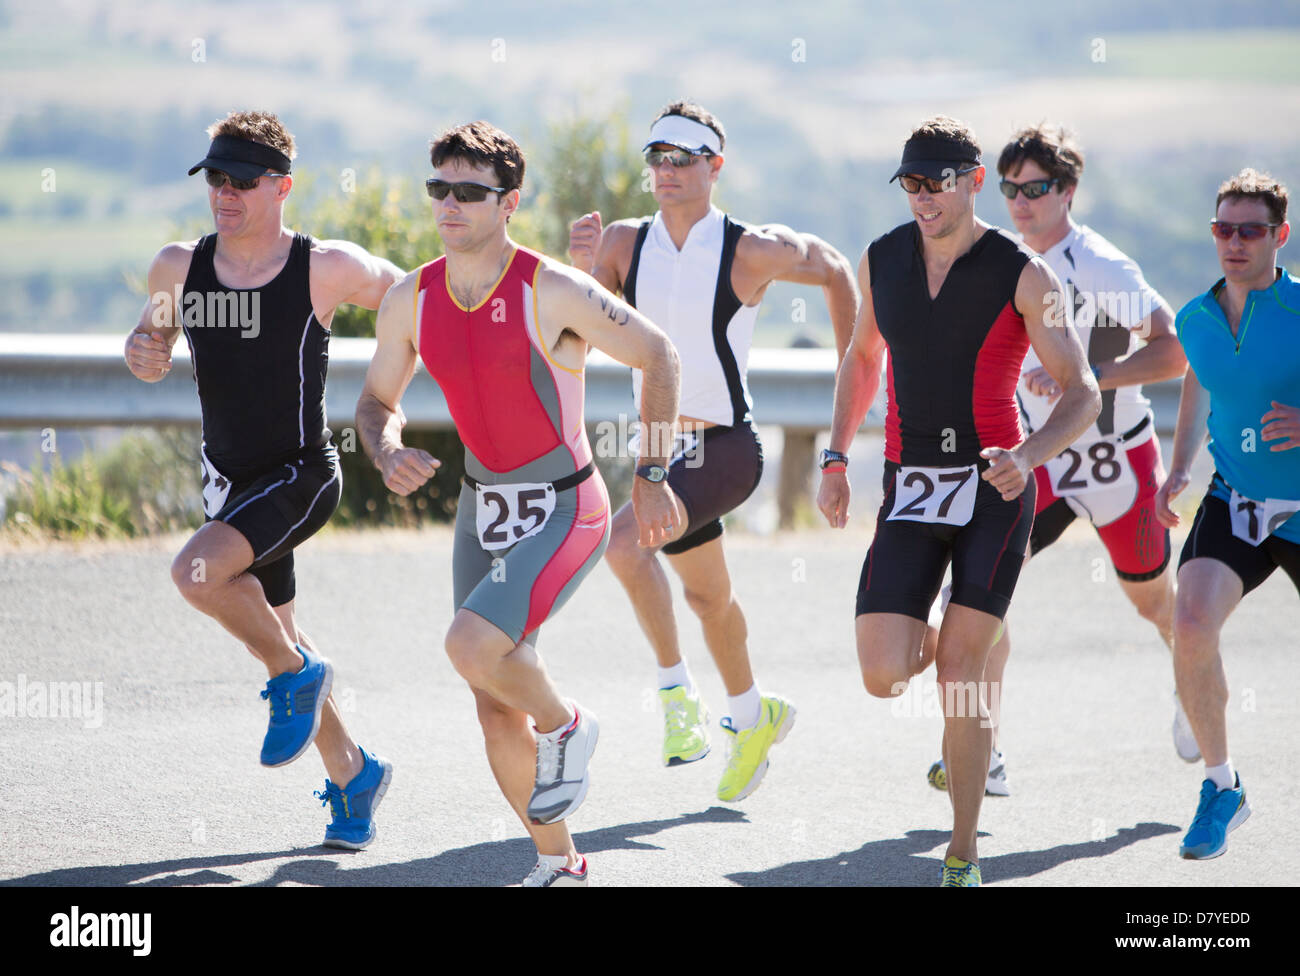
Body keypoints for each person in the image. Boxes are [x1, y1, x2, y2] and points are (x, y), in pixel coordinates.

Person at [355, 121, 681, 887]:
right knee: (492, 700)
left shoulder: (551, 287)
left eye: (470, 192)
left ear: (511, 203)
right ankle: (559, 862)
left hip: (567, 507)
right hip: (482, 510)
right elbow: (374, 403)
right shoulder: (411, 298)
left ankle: (569, 723)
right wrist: (386, 446)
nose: (450, 205)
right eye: (440, 189)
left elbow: (659, 352)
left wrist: (654, 469)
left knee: (471, 645)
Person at [817, 116, 1100, 886]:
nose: (923, 197)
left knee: (961, 675)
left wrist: (1030, 454)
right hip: (909, 489)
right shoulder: (882, 260)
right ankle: (972, 627)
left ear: (974, 181)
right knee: (884, 674)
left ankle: (963, 853)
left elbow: (1083, 392)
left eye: (937, 182)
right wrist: (837, 457)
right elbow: (862, 356)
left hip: (994, 489)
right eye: (911, 183)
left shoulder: (1024, 274)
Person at [123, 110, 404, 848]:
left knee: (196, 574)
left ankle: (295, 677)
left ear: (282, 187)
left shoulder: (325, 268)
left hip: (301, 476)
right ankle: (354, 775)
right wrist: (142, 348)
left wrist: (392, 397)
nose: (225, 192)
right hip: (229, 487)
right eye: (215, 177)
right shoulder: (177, 267)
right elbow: (156, 334)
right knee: (273, 628)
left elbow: (416, 300)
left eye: (242, 181)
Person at [569, 100, 858, 801]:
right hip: (658, 445)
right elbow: (575, 335)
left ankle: (678, 705)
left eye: (682, 158)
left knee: (623, 546)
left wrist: (858, 368)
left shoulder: (750, 247)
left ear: (714, 166)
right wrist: (577, 269)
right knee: (708, 597)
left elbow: (837, 269)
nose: (665, 171)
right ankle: (753, 714)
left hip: (724, 448)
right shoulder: (622, 245)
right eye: (656, 158)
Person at [922, 123, 1190, 798]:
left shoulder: (1099, 263)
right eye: (1010, 189)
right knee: (973, 597)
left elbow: (1173, 350)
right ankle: (984, 749)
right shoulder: (999, 260)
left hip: (1111, 461)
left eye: (1036, 188)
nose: (1021, 202)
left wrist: (1093, 374)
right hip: (1034, 460)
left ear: (1068, 192)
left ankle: (1194, 688)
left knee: (1154, 604)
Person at [1156, 168, 1299, 860]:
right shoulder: (1196, 317)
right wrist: (1180, 466)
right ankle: (1222, 786)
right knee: (1189, 623)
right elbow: (1196, 380)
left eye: (1249, 230)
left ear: (1280, 235)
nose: (1234, 243)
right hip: (1236, 502)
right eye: (1223, 229)